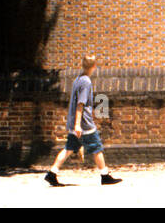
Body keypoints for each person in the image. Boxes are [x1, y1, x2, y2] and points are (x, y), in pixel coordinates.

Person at [44, 55, 121, 186]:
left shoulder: (77, 79)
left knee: (68, 148)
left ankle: (52, 173)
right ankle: (105, 175)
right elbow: (81, 103)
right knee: (97, 147)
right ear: (94, 66)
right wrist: (78, 125)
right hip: (84, 123)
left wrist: (74, 124)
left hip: (76, 122)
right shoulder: (86, 82)